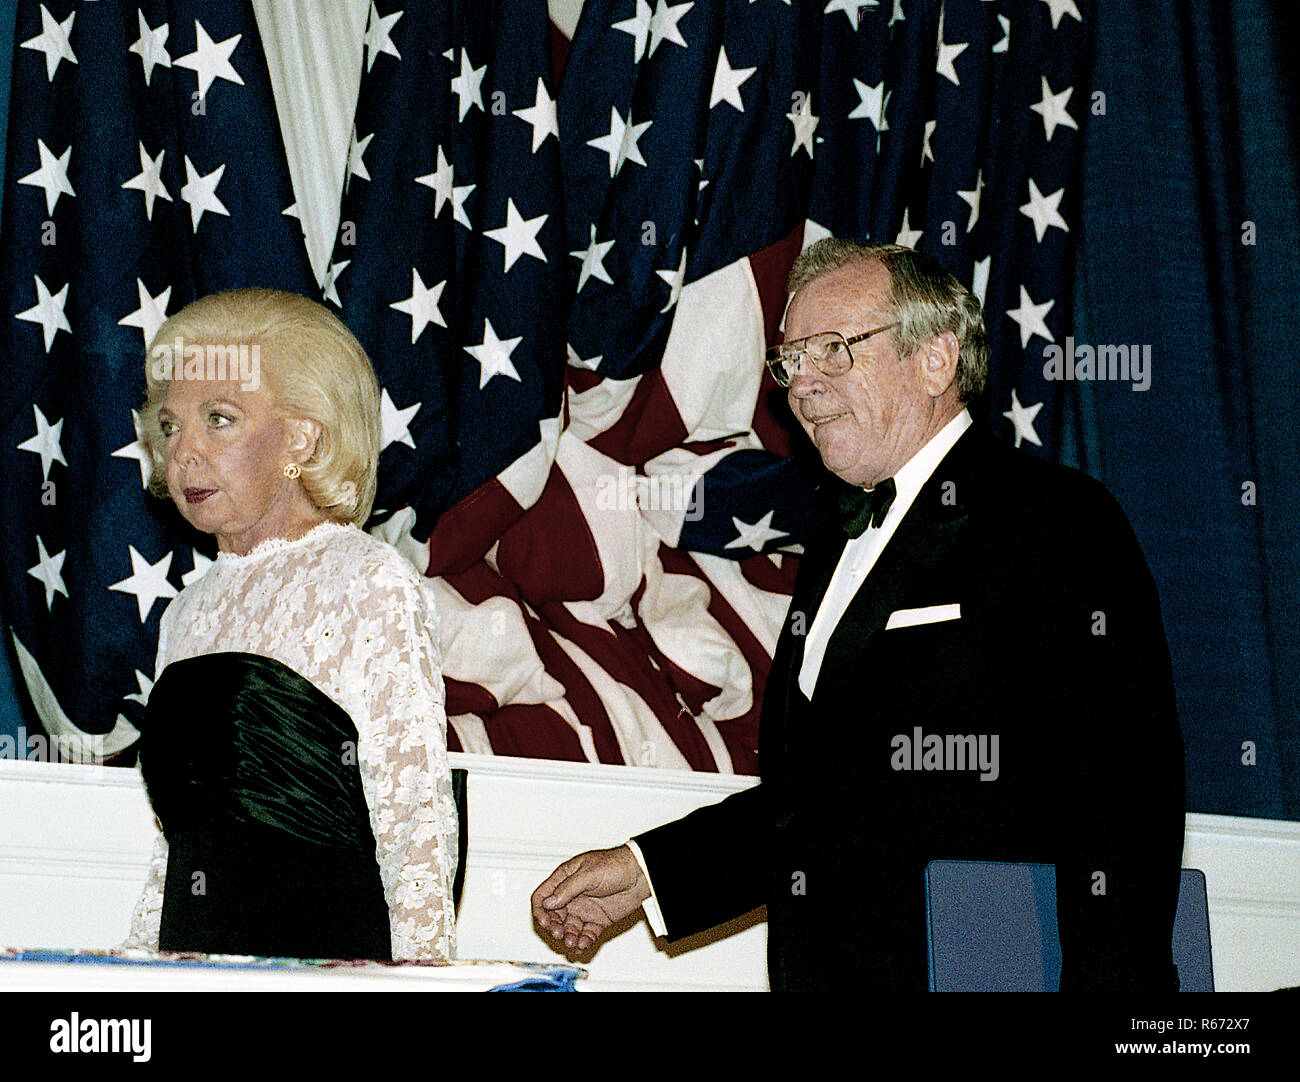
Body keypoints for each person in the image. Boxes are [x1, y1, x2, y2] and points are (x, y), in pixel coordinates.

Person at [532, 240, 1186, 991]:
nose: (801, 386)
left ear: (937, 359)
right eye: (790, 361)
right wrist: (648, 871)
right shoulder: (836, 540)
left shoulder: (1055, 522)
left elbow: (1124, 794)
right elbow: (835, 798)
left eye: (833, 350)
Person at [121, 288, 457, 962]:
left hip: (326, 972)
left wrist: (425, 984)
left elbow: (415, 822)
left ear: (301, 438)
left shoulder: (368, 579)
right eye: (169, 426)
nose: (182, 450)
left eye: (218, 419)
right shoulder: (187, 611)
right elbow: (177, 845)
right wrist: (136, 970)